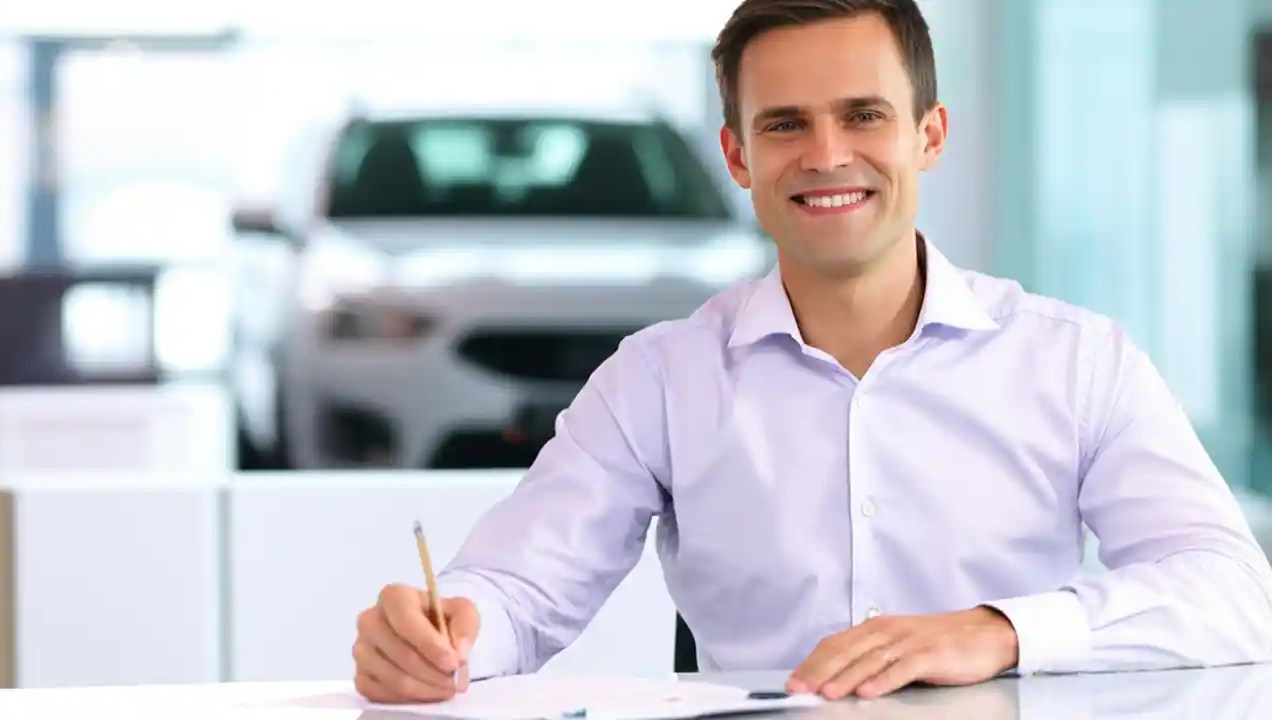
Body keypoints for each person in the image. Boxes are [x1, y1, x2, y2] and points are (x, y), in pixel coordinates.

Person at [351, 0, 1272, 703]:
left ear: (929, 135)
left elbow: (1234, 593)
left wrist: (998, 632)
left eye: (864, 115)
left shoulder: (1077, 362)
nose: (827, 154)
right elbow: (518, 587)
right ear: (739, 155)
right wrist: (448, 635)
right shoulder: (660, 380)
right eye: (785, 124)